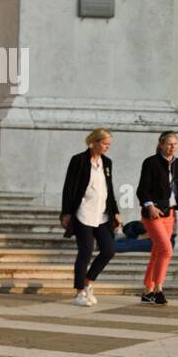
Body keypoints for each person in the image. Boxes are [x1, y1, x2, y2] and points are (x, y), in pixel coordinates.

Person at [60, 128, 120, 306]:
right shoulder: (78, 160)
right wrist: (66, 212)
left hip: (102, 214)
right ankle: (79, 293)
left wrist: (115, 211)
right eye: (104, 143)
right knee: (85, 251)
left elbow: (109, 189)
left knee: (109, 250)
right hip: (83, 212)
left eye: (109, 144)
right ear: (93, 142)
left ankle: (88, 283)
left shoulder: (107, 163)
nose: (107, 147)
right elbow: (69, 188)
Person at [136, 130, 178, 304]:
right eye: (169, 144)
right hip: (153, 213)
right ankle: (158, 290)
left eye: (175, 144)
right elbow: (142, 189)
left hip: (170, 213)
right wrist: (150, 205)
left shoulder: (177, 164)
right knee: (167, 250)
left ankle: (148, 291)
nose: (172, 147)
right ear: (161, 144)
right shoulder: (151, 162)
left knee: (157, 252)